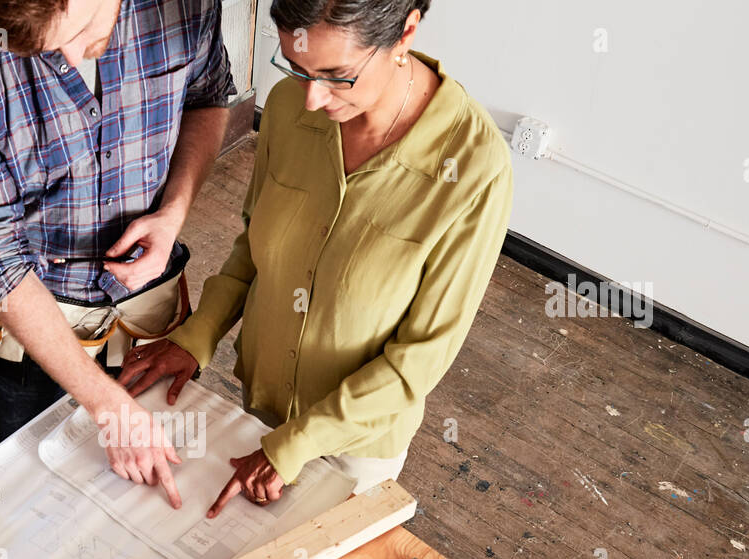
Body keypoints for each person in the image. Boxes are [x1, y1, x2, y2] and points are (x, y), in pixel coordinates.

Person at [120, 0, 513, 517]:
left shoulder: (474, 167)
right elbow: (252, 249)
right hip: (257, 407)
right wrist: (196, 337)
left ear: (405, 34)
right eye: (296, 67)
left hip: (354, 449)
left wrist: (296, 445)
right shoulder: (288, 108)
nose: (310, 99)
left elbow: (418, 360)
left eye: (337, 76)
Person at [0, 0, 237, 509]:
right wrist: (109, 410)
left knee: (162, 503)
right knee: (30, 502)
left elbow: (206, 97)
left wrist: (173, 210)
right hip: (32, 334)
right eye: (41, 52)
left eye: (81, 30)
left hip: (150, 317)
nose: (66, 59)